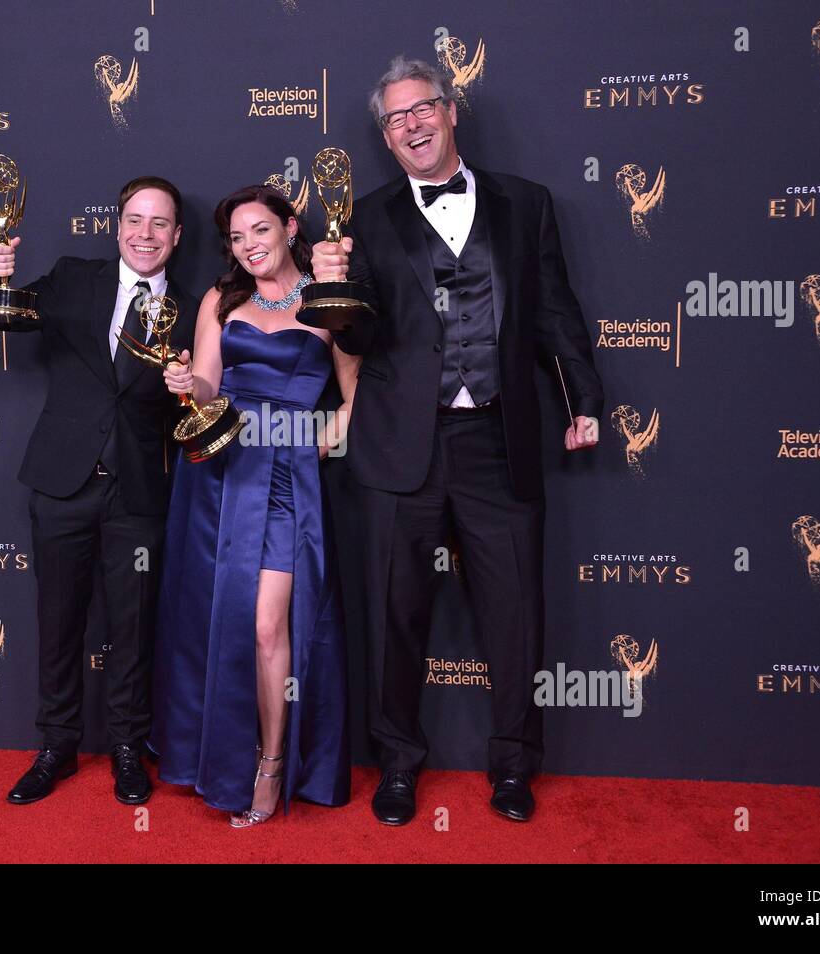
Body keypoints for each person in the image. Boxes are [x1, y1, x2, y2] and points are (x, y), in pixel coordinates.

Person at [310, 57, 604, 825]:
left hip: (498, 441)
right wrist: (332, 290)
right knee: (392, 617)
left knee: (515, 617)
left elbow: (555, 316)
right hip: (398, 447)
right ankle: (398, 767)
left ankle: (514, 767)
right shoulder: (366, 217)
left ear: (451, 111)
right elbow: (361, 333)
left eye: (424, 108)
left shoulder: (527, 205)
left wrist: (583, 401)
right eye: (396, 117)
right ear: (385, 134)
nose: (413, 124)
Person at [0, 176, 198, 807]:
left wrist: (189, 386)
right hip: (62, 484)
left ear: (176, 236)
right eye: (134, 221)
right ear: (117, 226)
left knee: (133, 625)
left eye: (159, 224)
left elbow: (198, 412)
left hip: (140, 492)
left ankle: (127, 747)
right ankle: (57, 747)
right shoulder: (71, 279)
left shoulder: (196, 310)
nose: (145, 234)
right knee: (58, 621)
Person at [150, 185, 358, 826]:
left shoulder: (328, 303)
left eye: (260, 232)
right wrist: (189, 385)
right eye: (237, 239)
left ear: (291, 227)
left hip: (284, 479)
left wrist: (320, 442)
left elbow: (354, 397)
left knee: (270, 627)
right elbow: (210, 381)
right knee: (218, 620)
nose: (249, 248)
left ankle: (270, 766)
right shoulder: (222, 298)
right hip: (219, 473)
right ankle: (213, 757)